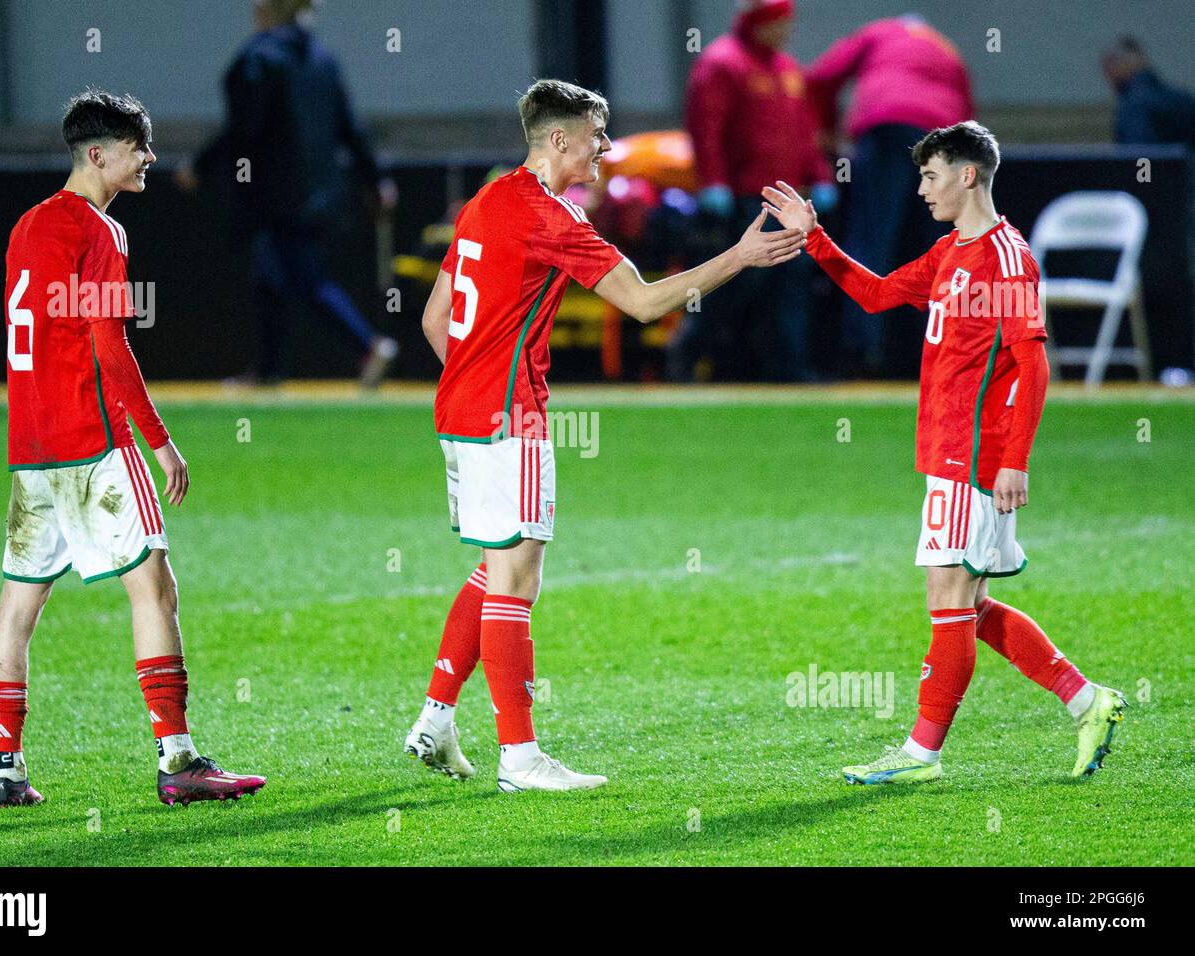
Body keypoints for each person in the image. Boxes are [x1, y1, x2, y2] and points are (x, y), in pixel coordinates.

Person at [404, 79, 805, 792]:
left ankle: (436, 718)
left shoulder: (487, 200)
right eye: (596, 135)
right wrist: (740, 257)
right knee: (517, 580)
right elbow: (648, 304)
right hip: (508, 416)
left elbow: (435, 320)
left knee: (494, 568)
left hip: (460, 411)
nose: (606, 149)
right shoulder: (549, 217)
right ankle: (520, 758)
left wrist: (476, 379)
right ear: (560, 140)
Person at [762, 121, 1127, 784]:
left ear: (966, 175)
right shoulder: (952, 251)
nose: (922, 189)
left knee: (948, 598)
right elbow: (876, 295)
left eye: (931, 176)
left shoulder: (1005, 257)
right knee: (971, 606)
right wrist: (812, 236)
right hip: (947, 454)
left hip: (975, 458)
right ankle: (1089, 700)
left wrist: (1015, 459)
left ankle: (920, 754)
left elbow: (1033, 365)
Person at [0, 89, 265, 808]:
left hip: (32, 447)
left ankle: (6, 770)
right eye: (137, 147)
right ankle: (177, 759)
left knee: (18, 607)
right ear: (97, 154)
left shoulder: (26, 227)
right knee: (154, 587)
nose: (148, 158)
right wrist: (161, 441)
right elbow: (108, 345)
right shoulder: (99, 232)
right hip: (92, 441)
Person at [179, 0, 398, 389]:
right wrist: (375, 179)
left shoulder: (259, 58)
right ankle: (267, 371)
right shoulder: (322, 59)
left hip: (271, 193)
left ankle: (368, 344)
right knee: (271, 275)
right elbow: (351, 126)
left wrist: (201, 164)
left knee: (304, 277)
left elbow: (243, 129)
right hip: (321, 193)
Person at [805, 14, 973, 378]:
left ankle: (861, 352)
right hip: (946, 141)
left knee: (871, 242)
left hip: (889, 127)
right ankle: (939, 352)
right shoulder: (947, 49)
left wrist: (826, 132)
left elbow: (819, 78)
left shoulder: (879, 32)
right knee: (939, 250)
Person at [675, 0, 833, 383]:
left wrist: (822, 175)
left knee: (791, 283)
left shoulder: (788, 71)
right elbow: (706, 129)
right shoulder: (722, 63)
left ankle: (789, 369)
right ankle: (686, 355)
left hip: (790, 202)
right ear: (759, 24)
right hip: (746, 200)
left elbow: (804, 133)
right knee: (735, 283)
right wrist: (713, 183)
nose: (786, 32)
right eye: (779, 24)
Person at [1102, 35, 1195, 147]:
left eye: (1112, 62)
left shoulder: (1134, 104)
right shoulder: (1183, 98)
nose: (1108, 73)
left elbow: (1139, 156)